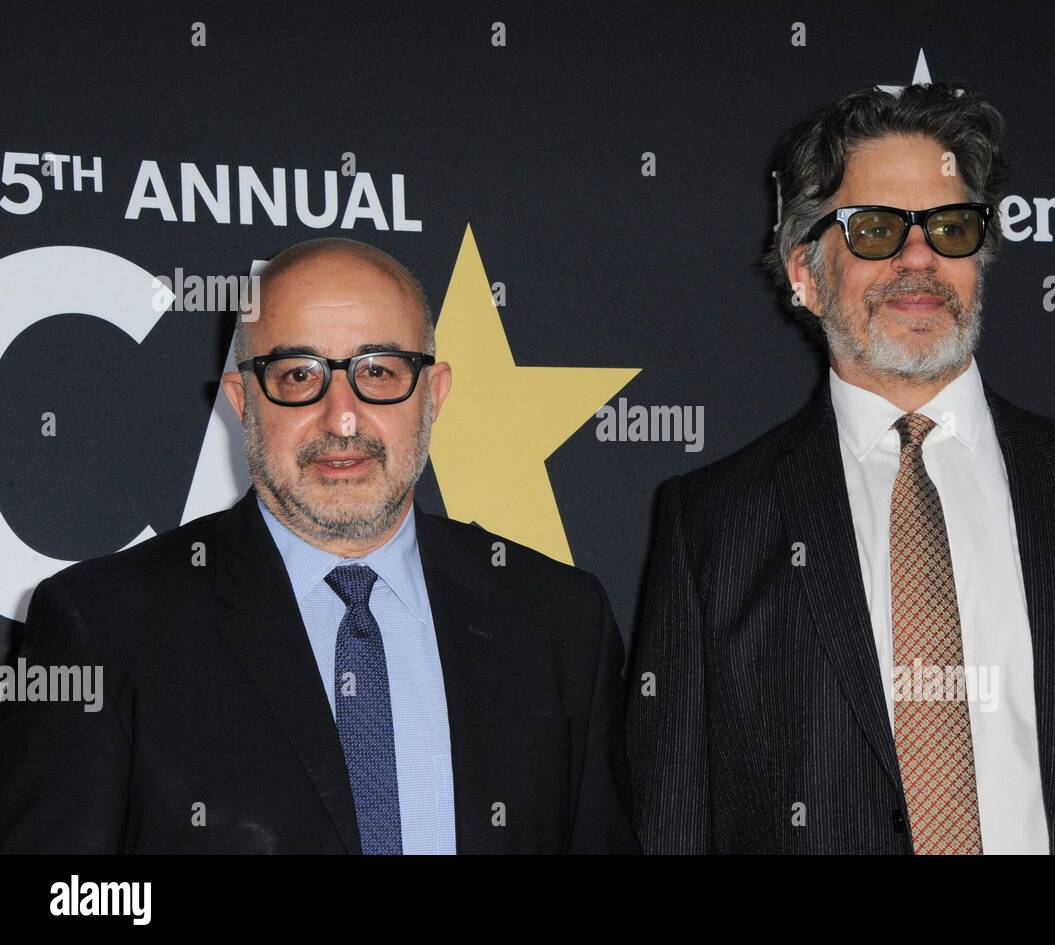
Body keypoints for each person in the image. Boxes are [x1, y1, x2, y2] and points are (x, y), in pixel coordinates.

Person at [626, 83, 1055, 854]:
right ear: (803, 270)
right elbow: (673, 826)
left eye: (950, 227)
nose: (920, 258)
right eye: (874, 230)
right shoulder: (713, 529)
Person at [0, 237, 638, 854]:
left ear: (434, 394)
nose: (342, 417)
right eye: (299, 374)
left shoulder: (560, 621)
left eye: (380, 371)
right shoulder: (105, 627)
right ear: (242, 399)